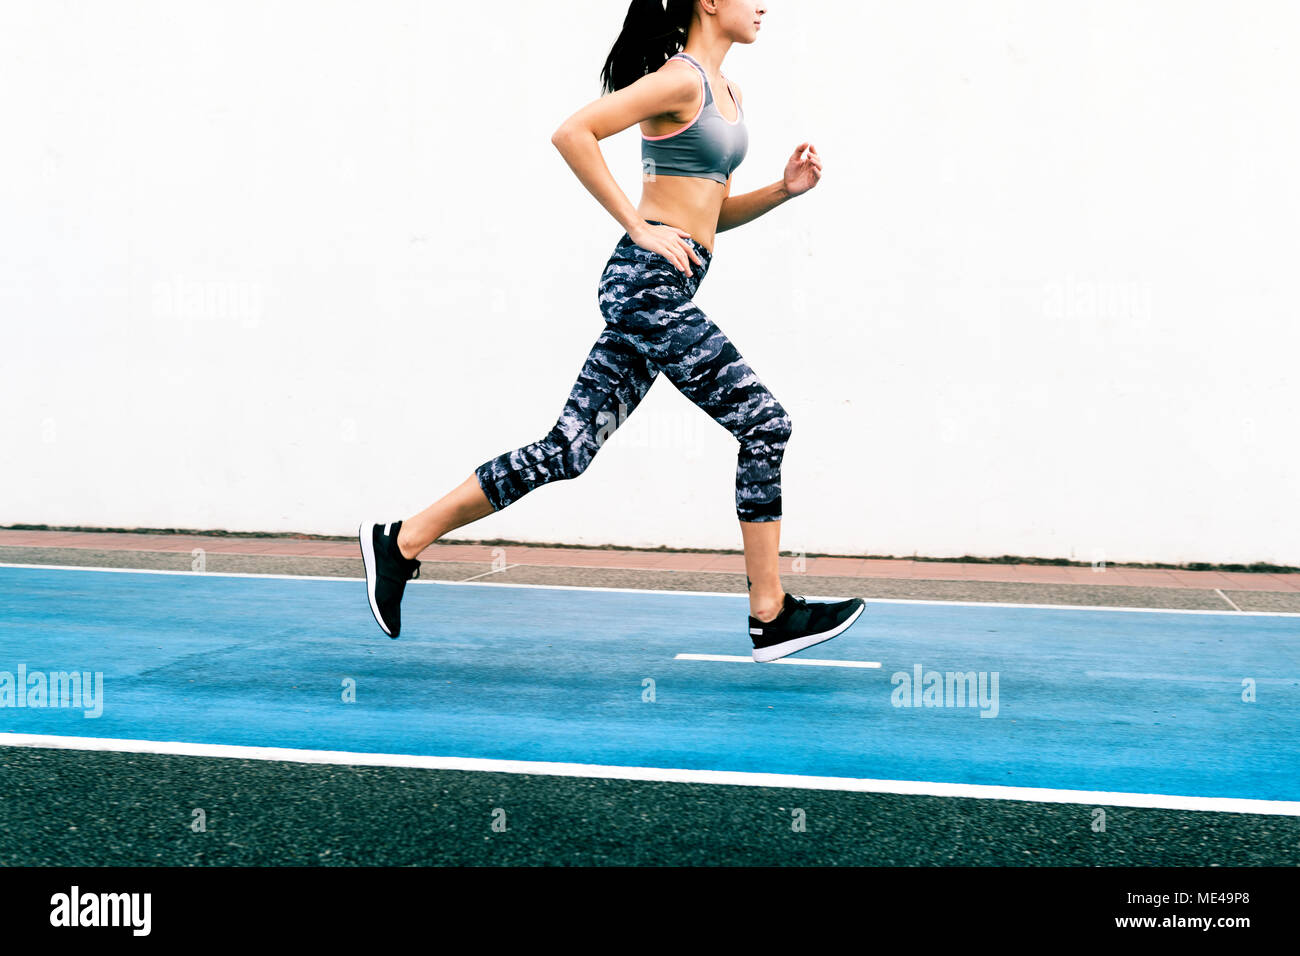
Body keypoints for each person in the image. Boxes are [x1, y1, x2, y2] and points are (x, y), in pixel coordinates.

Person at [360, 0, 865, 662]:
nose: (765, 3)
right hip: (643, 288)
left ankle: (397, 542)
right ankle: (769, 613)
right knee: (764, 424)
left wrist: (782, 190)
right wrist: (636, 223)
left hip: (665, 290)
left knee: (566, 449)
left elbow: (708, 214)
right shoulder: (680, 80)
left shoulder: (727, 91)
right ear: (709, 0)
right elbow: (573, 132)